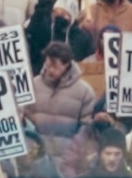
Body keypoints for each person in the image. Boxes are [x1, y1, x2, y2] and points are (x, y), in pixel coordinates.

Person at [26, 42, 97, 171]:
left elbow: (86, 130)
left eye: (55, 66)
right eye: (48, 65)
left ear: (67, 64)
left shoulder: (85, 92)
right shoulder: (33, 85)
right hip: (37, 160)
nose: (50, 70)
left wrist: (73, 156)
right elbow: (26, 120)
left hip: (68, 162)